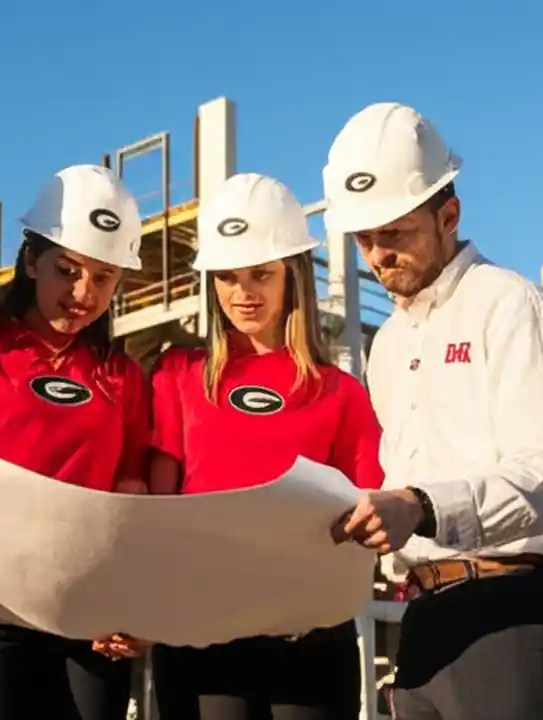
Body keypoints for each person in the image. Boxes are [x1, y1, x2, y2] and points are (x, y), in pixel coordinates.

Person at [324, 102, 543, 720]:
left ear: (449, 214)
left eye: (393, 233)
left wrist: (420, 506)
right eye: (363, 238)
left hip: (514, 609)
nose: (376, 255)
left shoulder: (514, 308)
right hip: (423, 615)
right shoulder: (388, 344)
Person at [0, 163, 151, 720]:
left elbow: (132, 502)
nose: (83, 293)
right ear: (31, 261)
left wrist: (132, 602)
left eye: (104, 278)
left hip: (87, 622)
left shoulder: (123, 380)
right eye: (67, 270)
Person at [141, 172, 385, 720]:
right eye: (226, 276)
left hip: (309, 640)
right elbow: (157, 517)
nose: (243, 293)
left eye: (260, 274)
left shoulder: (341, 393)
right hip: (203, 637)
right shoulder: (180, 375)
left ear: (292, 274)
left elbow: (365, 519)